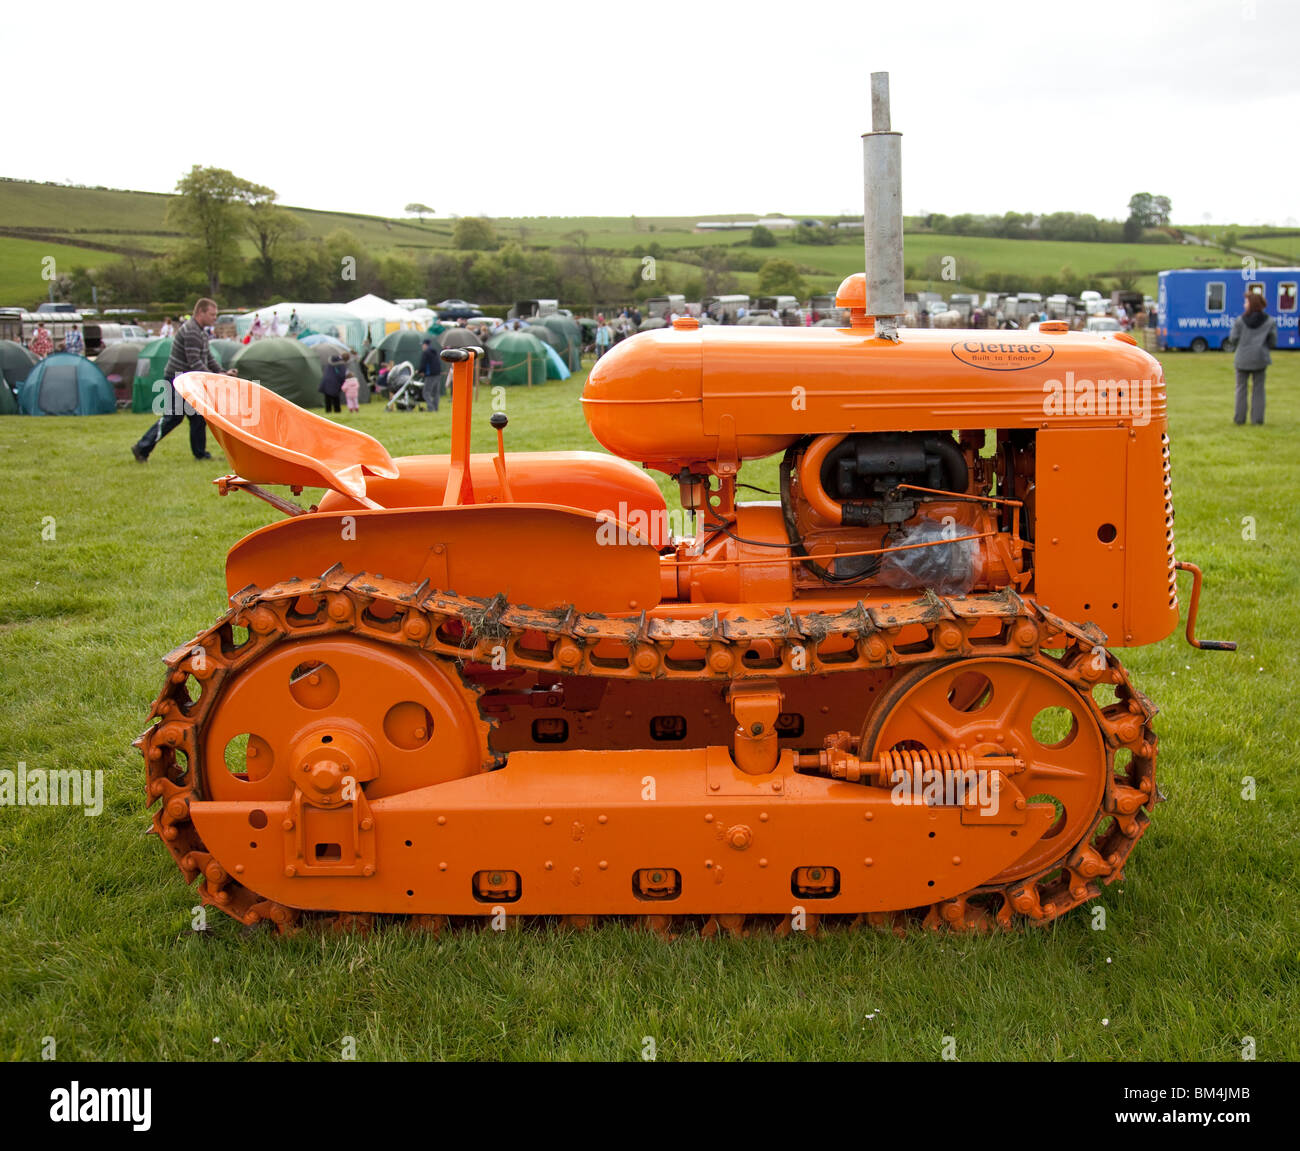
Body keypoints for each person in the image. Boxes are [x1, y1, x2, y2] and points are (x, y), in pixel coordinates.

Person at [131, 298, 233, 462]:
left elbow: (208, 358)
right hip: (176, 380)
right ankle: (141, 448)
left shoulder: (200, 332)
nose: (215, 318)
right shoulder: (191, 331)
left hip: (187, 380)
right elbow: (195, 362)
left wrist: (222, 373)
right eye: (212, 314)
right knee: (173, 417)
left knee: (198, 417)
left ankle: (200, 454)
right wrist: (215, 378)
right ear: (201, 312)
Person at [1227, 290, 1277, 425]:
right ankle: (1257, 419)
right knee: (1259, 389)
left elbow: (1233, 338)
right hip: (1260, 358)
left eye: (1246, 302)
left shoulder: (1240, 321)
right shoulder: (1270, 321)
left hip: (1242, 358)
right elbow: (1272, 341)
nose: (1244, 304)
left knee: (1241, 389)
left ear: (1251, 304)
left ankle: (1239, 419)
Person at [418, 339, 441, 411]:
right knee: (436, 393)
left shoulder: (426, 353)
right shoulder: (435, 352)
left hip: (430, 375)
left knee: (426, 392)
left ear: (425, 345)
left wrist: (420, 371)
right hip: (438, 374)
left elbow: (423, 363)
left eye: (422, 345)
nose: (422, 346)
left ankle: (431, 408)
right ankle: (435, 407)